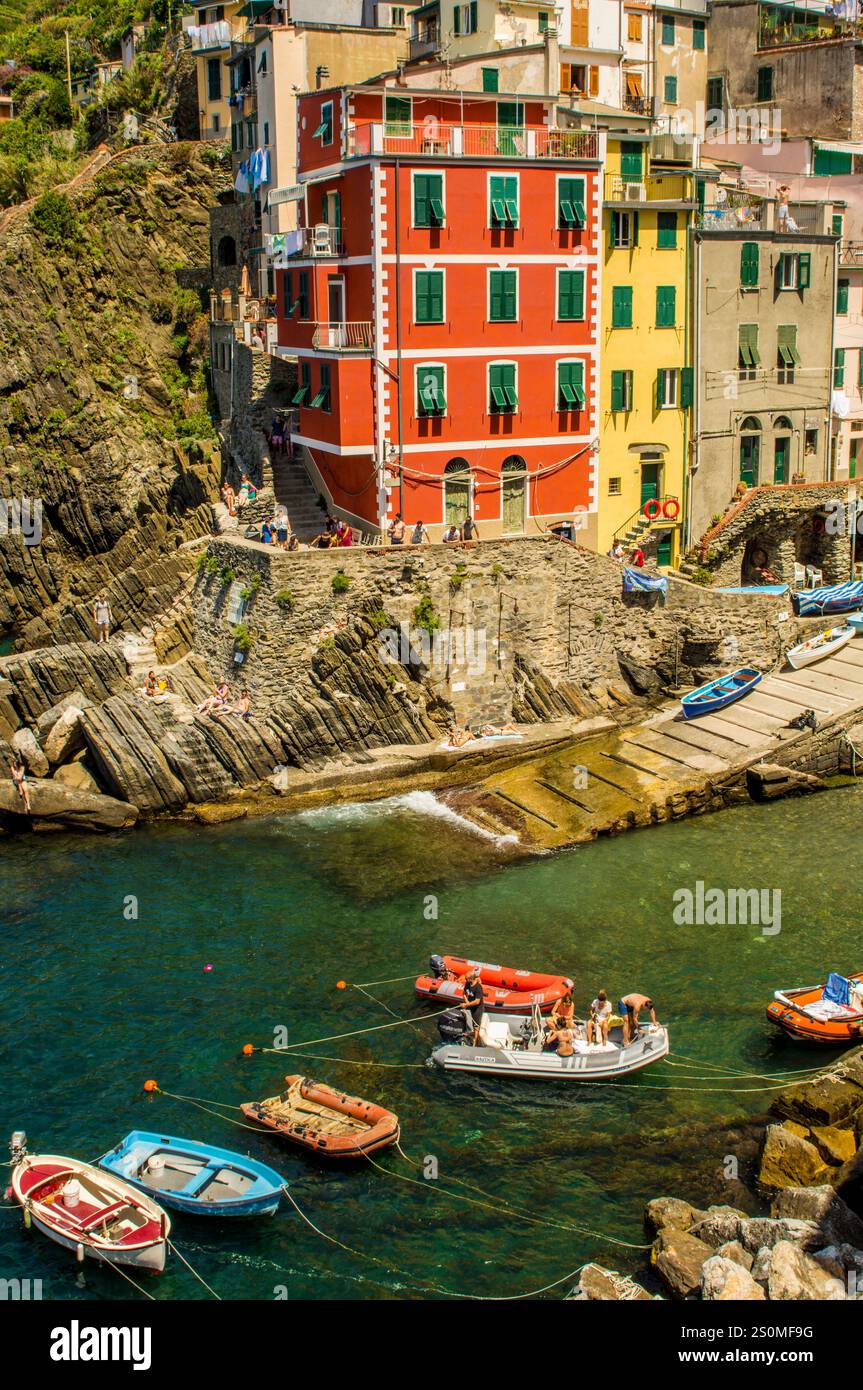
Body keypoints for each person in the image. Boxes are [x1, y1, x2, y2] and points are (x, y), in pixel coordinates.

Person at [459, 966, 485, 1045]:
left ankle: (475, 1042)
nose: (465, 980)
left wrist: (466, 1005)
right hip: (471, 1007)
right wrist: (466, 1001)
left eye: (467, 978)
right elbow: (464, 993)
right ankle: (474, 1034)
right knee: (474, 1025)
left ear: (471, 979)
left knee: (476, 1026)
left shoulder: (478, 988)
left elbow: (477, 1001)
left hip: (478, 1009)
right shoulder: (467, 984)